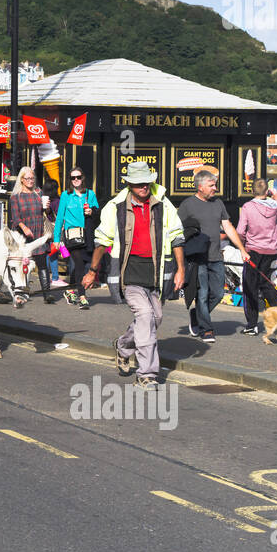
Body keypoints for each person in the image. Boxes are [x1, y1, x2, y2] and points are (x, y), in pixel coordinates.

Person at [83, 161, 185, 390]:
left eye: (146, 182)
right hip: (128, 272)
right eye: (138, 184)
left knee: (155, 318)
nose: (143, 187)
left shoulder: (163, 204)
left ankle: (123, 346)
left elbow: (177, 237)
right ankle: (146, 374)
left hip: (156, 271)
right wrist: (92, 271)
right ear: (129, 184)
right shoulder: (115, 206)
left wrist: (181, 269)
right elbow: (102, 241)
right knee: (146, 315)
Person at [177, 169, 248, 343]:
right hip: (197, 257)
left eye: (215, 184)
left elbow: (228, 227)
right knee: (202, 294)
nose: (215, 188)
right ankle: (206, 329)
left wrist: (242, 250)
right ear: (200, 187)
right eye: (211, 185)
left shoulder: (218, 204)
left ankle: (198, 315)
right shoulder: (187, 205)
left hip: (216, 256)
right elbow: (177, 231)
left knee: (217, 294)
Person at [235, 177, 277, 336]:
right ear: (267, 191)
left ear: (252, 191)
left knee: (249, 286)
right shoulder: (275, 205)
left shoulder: (247, 206)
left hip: (252, 251)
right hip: (271, 252)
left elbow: (240, 230)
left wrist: (243, 244)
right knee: (268, 285)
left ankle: (252, 324)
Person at [9, 166, 57, 304]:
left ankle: (47, 294)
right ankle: (20, 291)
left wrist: (47, 207)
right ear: (22, 180)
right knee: (22, 264)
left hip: (38, 232)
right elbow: (16, 218)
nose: (30, 181)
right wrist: (24, 228)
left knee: (42, 264)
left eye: (32, 178)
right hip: (23, 236)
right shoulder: (15, 197)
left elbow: (47, 214)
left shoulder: (38, 192)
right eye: (27, 178)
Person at [54, 167, 99, 308]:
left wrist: (91, 211)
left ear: (82, 178)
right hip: (72, 235)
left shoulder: (90, 194)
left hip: (87, 234)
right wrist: (56, 239)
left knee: (84, 264)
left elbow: (98, 213)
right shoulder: (66, 195)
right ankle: (82, 296)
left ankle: (69, 290)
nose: (75, 180)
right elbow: (60, 218)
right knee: (79, 263)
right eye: (73, 178)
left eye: (78, 177)